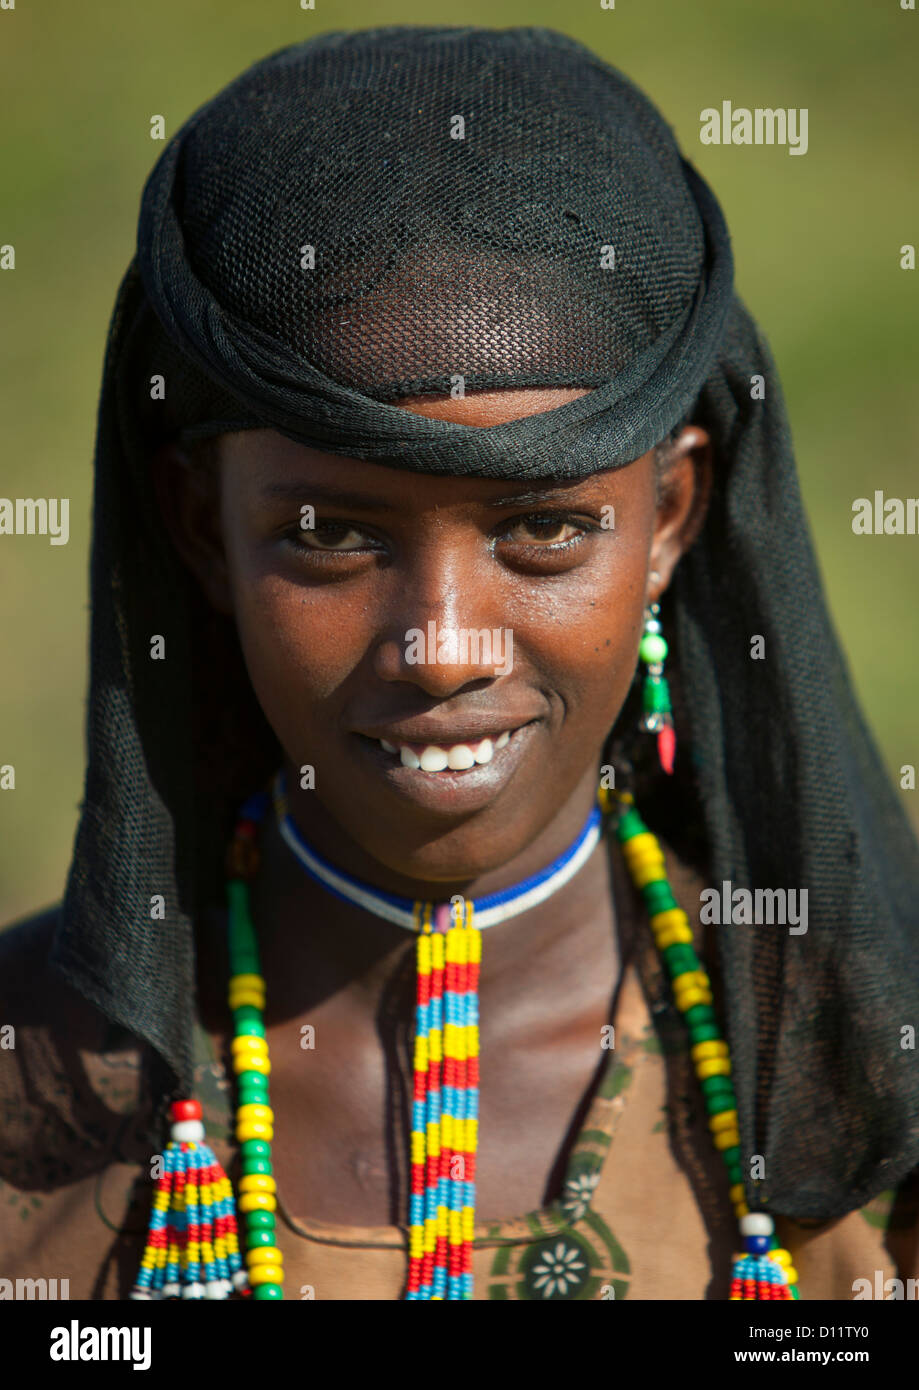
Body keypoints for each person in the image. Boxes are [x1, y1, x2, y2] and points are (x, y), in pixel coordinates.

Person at [2, 25, 918, 1303]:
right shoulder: (30, 1099)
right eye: (328, 534)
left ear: (668, 519)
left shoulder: (870, 1096)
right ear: (202, 528)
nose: (442, 646)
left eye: (542, 527)